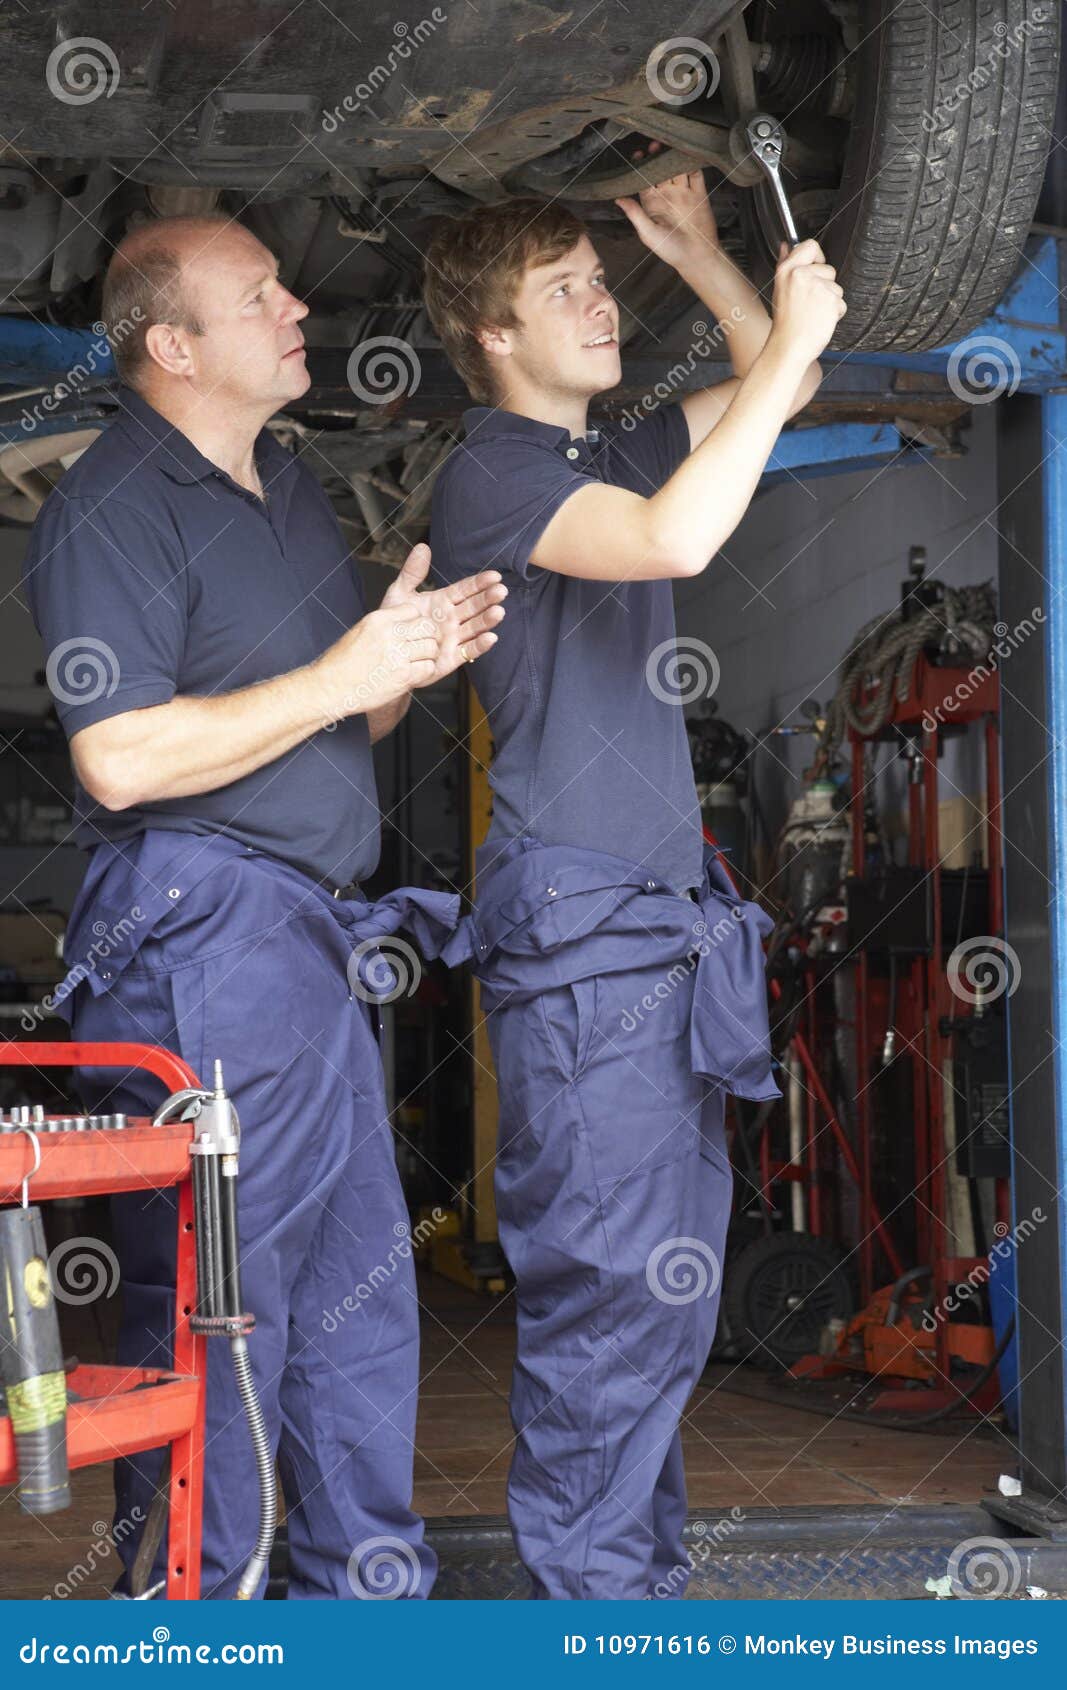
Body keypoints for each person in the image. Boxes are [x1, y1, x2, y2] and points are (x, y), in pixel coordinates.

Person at [23, 213, 506, 1599]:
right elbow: (120, 757)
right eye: (260, 294)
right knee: (220, 1309)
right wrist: (344, 673)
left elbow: (314, 721)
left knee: (359, 1297)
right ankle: (199, 1602)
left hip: (314, 938)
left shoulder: (288, 489)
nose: (299, 304)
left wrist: (403, 656)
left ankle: (360, 1597)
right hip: (202, 931)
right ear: (172, 346)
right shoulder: (110, 507)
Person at [424, 173, 845, 1598]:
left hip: (650, 959)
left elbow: (769, 388)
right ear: (492, 334)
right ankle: (598, 1626)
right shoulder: (493, 473)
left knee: (655, 1326)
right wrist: (784, 343)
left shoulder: (602, 453)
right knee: (612, 1318)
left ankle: (636, 1613)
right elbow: (678, 537)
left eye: (605, 278)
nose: (603, 301)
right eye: (567, 289)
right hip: (589, 963)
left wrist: (714, 261)